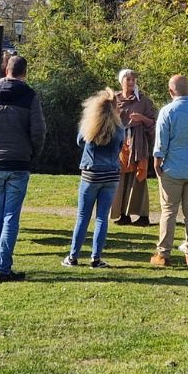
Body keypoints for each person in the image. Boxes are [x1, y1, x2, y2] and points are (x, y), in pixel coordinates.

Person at [0, 54, 47, 283]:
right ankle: (4, 268)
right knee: (11, 217)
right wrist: (34, 152)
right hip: (19, 162)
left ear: (6, 70)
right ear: (24, 73)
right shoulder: (30, 96)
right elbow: (39, 131)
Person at [150, 74, 188, 267]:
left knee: (169, 210)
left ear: (170, 91)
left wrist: (157, 162)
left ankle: (163, 253)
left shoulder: (168, 111)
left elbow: (161, 143)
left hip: (173, 169)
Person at [63, 89, 126, 268]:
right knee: (102, 218)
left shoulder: (89, 126)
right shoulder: (120, 128)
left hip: (91, 173)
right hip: (111, 174)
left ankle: (73, 256)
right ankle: (95, 258)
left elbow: (79, 141)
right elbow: (120, 147)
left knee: (83, 216)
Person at [111, 68, 158, 226]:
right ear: (121, 81)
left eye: (133, 79)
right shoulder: (114, 99)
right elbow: (105, 120)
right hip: (121, 144)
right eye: (128, 79)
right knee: (121, 178)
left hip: (138, 143)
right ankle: (123, 214)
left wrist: (142, 118)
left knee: (139, 177)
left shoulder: (143, 100)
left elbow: (153, 123)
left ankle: (143, 216)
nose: (131, 82)